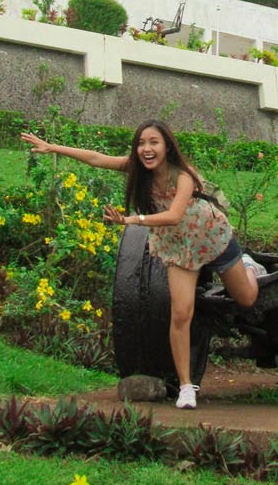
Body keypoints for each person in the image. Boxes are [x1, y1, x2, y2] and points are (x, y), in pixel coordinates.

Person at [20, 119, 264, 409]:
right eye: (141, 143)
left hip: (209, 236)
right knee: (181, 313)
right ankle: (187, 387)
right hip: (179, 249)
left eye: (154, 142)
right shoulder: (138, 171)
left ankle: (249, 265)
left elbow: (174, 215)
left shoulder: (184, 175)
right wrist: (53, 148)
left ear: (167, 146)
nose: (146, 149)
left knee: (247, 298)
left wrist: (131, 220)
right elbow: (96, 158)